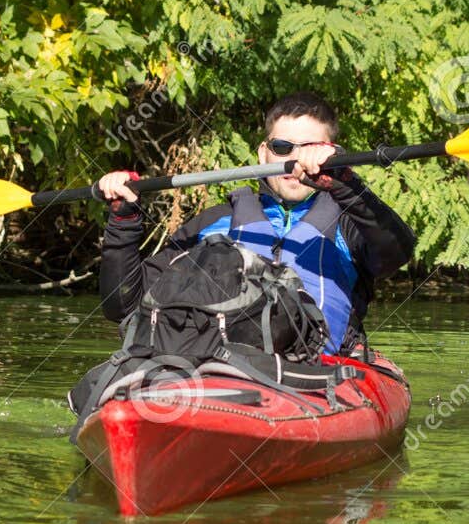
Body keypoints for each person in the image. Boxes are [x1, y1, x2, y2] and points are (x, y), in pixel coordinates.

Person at [97, 92, 416, 355]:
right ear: (264, 154)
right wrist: (124, 221)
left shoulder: (351, 223)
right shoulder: (214, 224)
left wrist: (344, 182)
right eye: (283, 148)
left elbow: (398, 251)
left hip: (317, 376)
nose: (295, 159)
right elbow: (123, 305)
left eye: (311, 148)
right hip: (219, 367)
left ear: (332, 153)